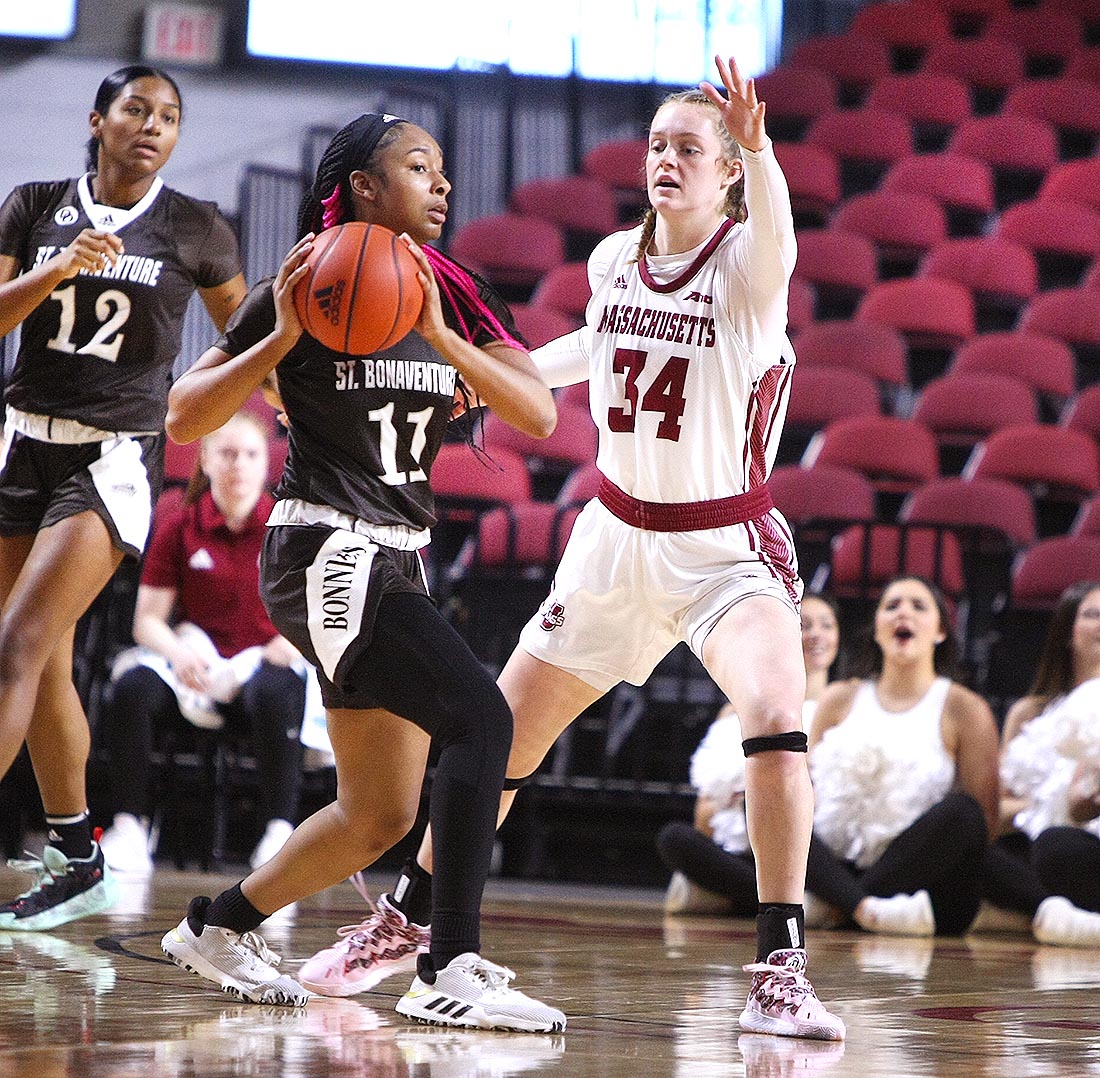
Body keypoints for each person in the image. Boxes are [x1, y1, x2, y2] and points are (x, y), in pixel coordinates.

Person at [302, 56, 846, 1042]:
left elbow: (779, 241)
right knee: (502, 732)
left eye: (689, 148)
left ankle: (779, 964)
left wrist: (760, 153)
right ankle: (406, 920)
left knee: (774, 711)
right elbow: (595, 350)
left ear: (724, 174)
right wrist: (489, 378)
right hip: (612, 541)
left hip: (723, 544)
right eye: (655, 145)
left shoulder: (746, 265)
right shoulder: (609, 260)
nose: (665, 160)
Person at [158, 111, 567, 1032]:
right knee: (482, 714)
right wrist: (274, 344)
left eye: (444, 169)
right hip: (325, 549)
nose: (444, 184)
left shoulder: (454, 292)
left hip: (399, 555)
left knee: (378, 813)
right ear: (366, 187)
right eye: (420, 167)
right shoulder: (302, 280)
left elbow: (537, 412)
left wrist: (441, 333)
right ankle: (448, 963)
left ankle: (217, 928)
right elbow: (184, 419)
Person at [0, 65, 246, 930]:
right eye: (137, 109)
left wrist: (222, 410)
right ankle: (76, 856)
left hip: (112, 461)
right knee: (43, 659)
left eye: (170, 116)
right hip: (22, 442)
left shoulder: (196, 228)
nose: (153, 125)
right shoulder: (33, 205)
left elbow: (244, 339)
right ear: (98, 120)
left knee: (15, 645)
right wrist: (55, 271)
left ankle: (73, 852)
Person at [98, 411, 317, 876]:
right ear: (206, 459)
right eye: (228, 453)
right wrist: (178, 654)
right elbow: (147, 622)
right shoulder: (180, 526)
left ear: (267, 463)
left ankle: (279, 832)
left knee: (278, 691)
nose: (239, 464)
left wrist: (292, 643)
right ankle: (129, 827)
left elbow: (314, 612)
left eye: (251, 454)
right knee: (132, 687)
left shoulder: (287, 530)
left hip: (263, 664)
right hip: (197, 661)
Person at [805, 576, 1001, 938]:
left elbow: (984, 822)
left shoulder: (964, 708)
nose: (903, 614)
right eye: (891, 606)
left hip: (921, 886)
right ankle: (861, 907)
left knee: (964, 813)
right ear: (876, 629)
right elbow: (805, 792)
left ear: (941, 631)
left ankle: (838, 906)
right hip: (840, 865)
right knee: (773, 800)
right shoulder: (838, 698)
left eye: (918, 606)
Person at [657, 592, 843, 916]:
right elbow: (704, 810)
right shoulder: (734, 711)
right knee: (674, 838)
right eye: (805, 625)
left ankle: (737, 895)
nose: (816, 634)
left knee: (772, 795)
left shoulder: (843, 704)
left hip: (810, 847)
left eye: (826, 625)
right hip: (739, 843)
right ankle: (807, 901)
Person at [983, 580, 1100, 946]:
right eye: (1093, 614)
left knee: (1058, 846)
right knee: (968, 848)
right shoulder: (1027, 712)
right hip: (1032, 844)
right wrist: (1049, 806)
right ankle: (1062, 915)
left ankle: (1030, 913)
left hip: (1083, 849)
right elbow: (995, 811)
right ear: (1068, 632)